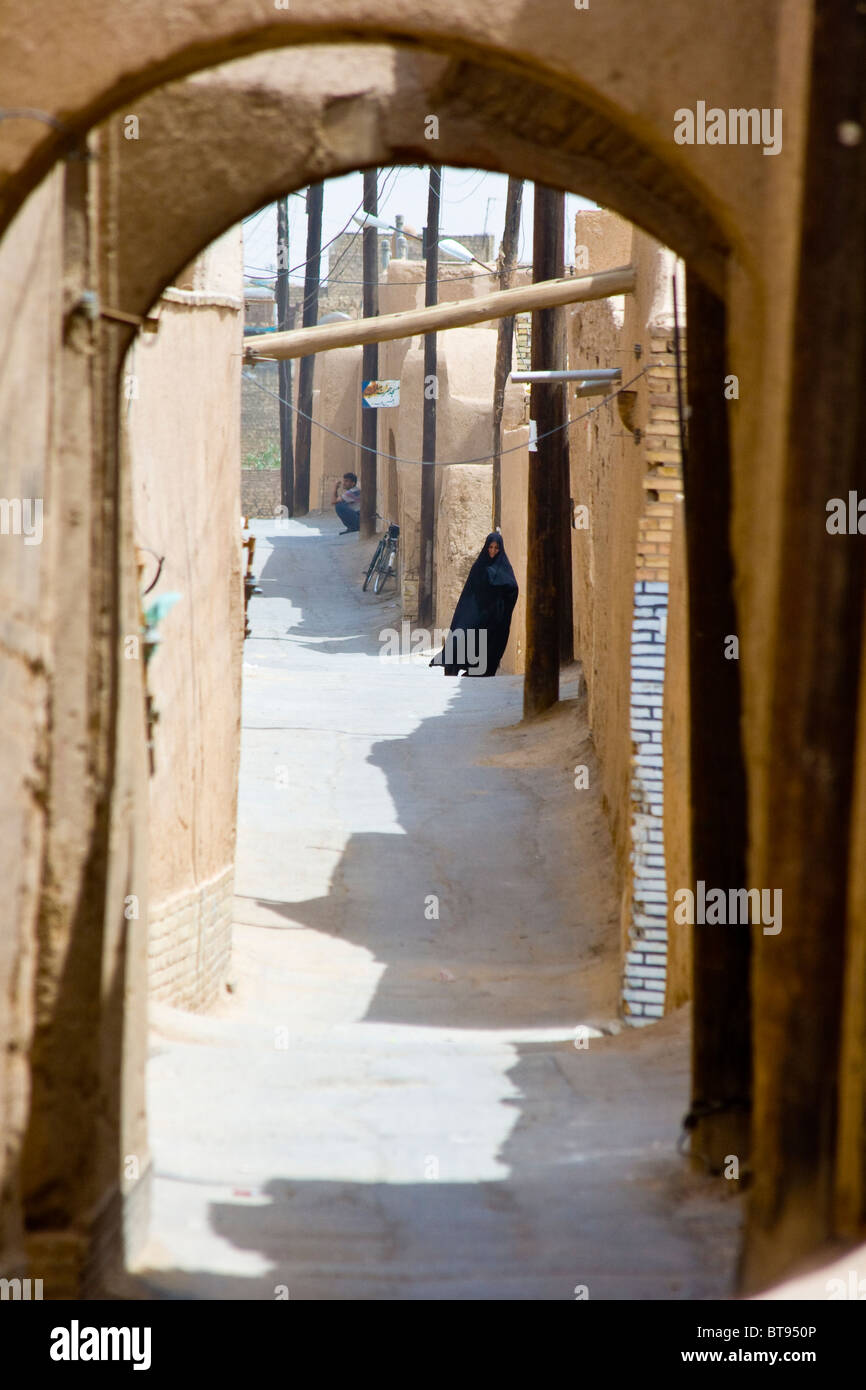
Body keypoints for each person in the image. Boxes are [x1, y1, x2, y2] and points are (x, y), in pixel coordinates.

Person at [430, 531, 519, 677]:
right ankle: (452, 666)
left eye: (496, 548)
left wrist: (500, 604)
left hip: (492, 618)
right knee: (462, 637)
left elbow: (513, 588)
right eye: (490, 547)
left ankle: (477, 671)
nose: (493, 551)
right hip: (476, 612)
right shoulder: (479, 567)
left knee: (489, 644)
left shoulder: (504, 568)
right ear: (486, 547)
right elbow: (469, 594)